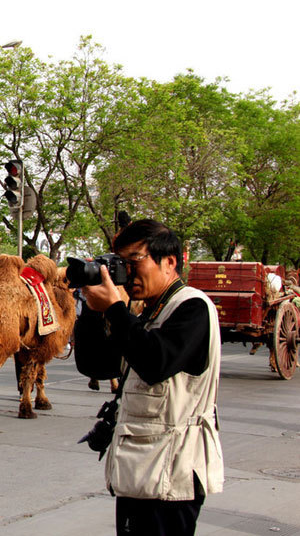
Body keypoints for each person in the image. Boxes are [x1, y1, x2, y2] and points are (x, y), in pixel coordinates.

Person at [74, 219, 223, 535]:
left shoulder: (193, 307)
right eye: (120, 263)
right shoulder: (147, 314)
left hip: (173, 475)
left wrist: (115, 309)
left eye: (134, 261)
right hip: (140, 471)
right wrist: (92, 309)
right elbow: (97, 365)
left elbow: (156, 363)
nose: (127, 272)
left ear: (169, 262)